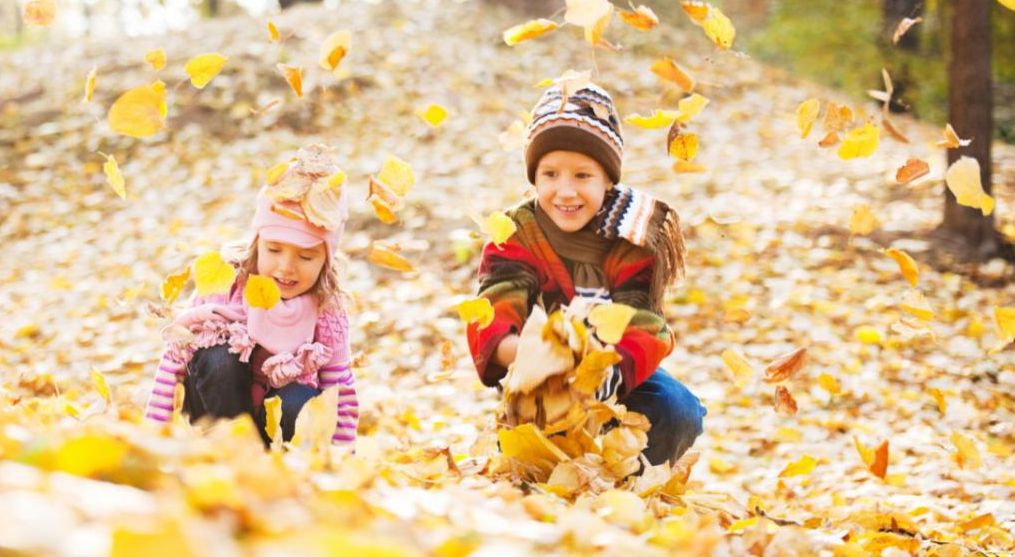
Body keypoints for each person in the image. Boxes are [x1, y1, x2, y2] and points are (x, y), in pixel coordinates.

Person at [467, 83, 706, 466]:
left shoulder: (632, 234)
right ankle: (539, 482)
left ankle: (634, 483)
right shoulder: (517, 233)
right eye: (550, 174)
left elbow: (644, 323)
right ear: (534, 178)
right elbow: (494, 310)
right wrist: (543, 359)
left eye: (582, 176)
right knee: (534, 458)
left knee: (678, 408)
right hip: (541, 380)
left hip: (617, 372)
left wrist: (595, 374)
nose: (565, 191)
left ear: (607, 180)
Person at [144, 144, 357, 448]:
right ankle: (238, 452)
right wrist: (154, 435)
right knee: (219, 358)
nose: (286, 268)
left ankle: (277, 461)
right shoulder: (226, 284)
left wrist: (340, 457)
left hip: (281, 420)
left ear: (326, 259)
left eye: (306, 257)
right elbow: (173, 361)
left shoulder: (326, 307)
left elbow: (339, 388)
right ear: (258, 242)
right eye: (273, 250)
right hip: (215, 405)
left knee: (302, 398)